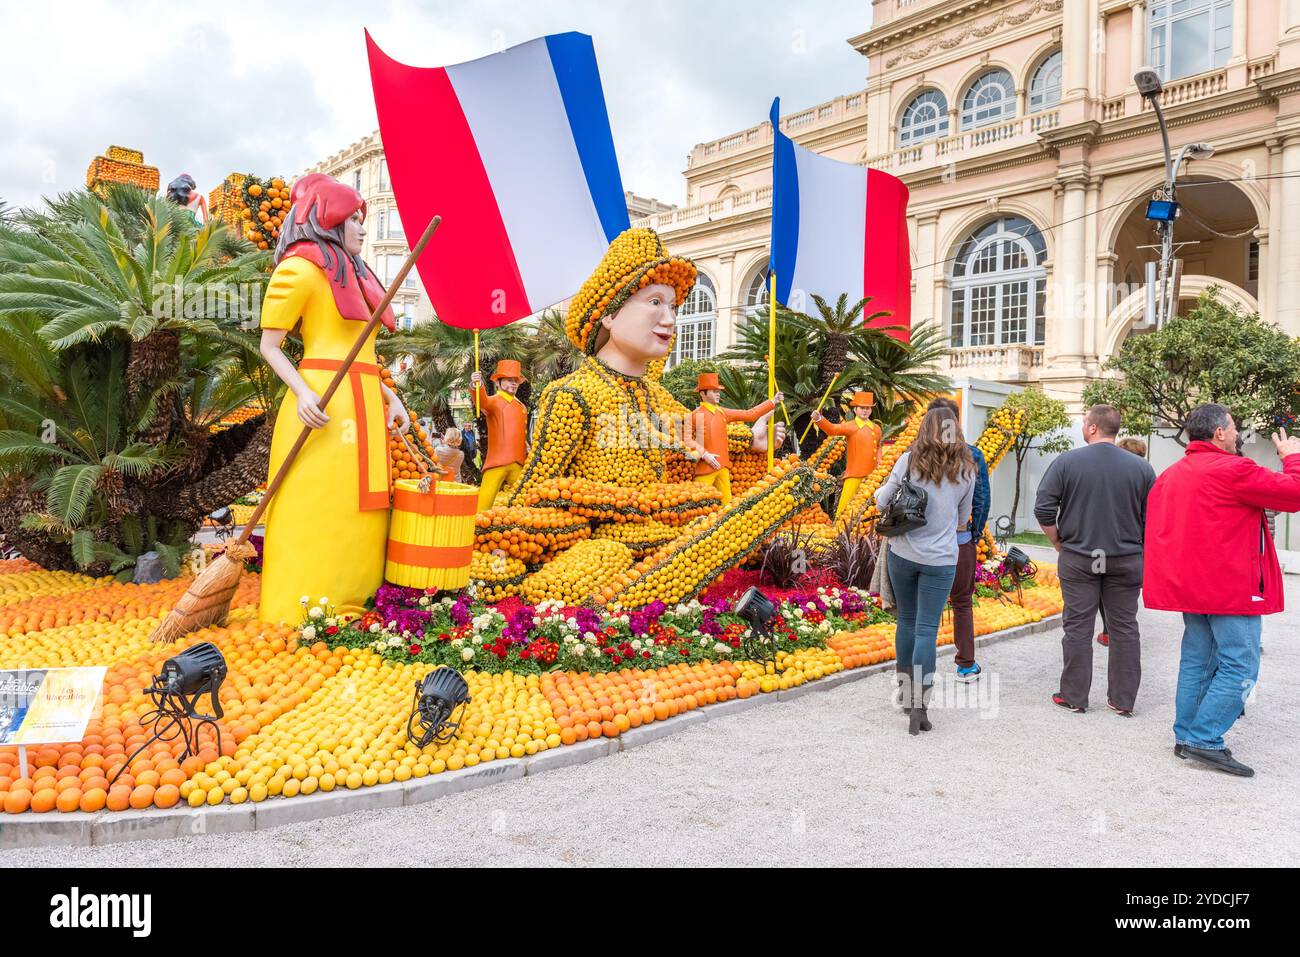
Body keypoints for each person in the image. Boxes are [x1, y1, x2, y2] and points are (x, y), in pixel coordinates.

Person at [257, 173, 410, 623]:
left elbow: (360, 353)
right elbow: (270, 345)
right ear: (328, 220)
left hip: (363, 401)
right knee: (315, 502)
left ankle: (358, 600)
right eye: (354, 220)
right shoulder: (298, 270)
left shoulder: (360, 277)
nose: (363, 229)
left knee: (363, 505)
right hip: (321, 404)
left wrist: (388, 395)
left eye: (364, 220)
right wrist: (303, 391)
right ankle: (299, 610)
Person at [1144, 404, 1300, 777]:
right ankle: (1204, 738)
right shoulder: (1233, 469)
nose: (1236, 434)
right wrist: (1292, 458)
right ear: (1218, 433)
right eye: (1233, 428)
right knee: (1240, 664)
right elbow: (1293, 495)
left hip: (1194, 589)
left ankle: (1187, 736)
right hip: (1230, 589)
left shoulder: (1173, 474)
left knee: (1197, 662)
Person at [1034, 405, 1155, 716]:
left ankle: (1073, 696)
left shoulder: (1066, 462)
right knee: (1125, 627)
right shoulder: (1142, 468)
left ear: (1091, 428)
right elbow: (1153, 517)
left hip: (1079, 556)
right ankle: (1123, 700)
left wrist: (1057, 541)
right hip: (1125, 558)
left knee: (1077, 625)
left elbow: (1044, 509)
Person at [875, 405, 975, 735]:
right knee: (927, 631)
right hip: (942, 560)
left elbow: (882, 501)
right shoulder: (966, 469)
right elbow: (963, 520)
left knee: (905, 619)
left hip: (904, 552)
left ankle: (905, 694)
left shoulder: (908, 460)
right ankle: (920, 707)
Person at [928, 397, 990, 682]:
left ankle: (920, 672)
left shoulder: (915, 455)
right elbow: (981, 501)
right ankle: (966, 665)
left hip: (923, 544)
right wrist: (972, 536)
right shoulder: (972, 455)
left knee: (922, 607)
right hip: (959, 540)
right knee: (962, 603)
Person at [689, 372, 780, 505]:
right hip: (704, 468)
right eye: (714, 391)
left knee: (727, 505)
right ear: (703, 394)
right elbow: (685, 439)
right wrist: (705, 454)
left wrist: (772, 402)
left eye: (718, 391)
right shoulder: (695, 415)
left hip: (723, 467)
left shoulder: (722, 412)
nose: (718, 394)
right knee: (695, 504)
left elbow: (749, 415)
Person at [1095, 436, 1152, 648]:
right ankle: (1121, 632)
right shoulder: (1144, 475)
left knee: (1101, 589)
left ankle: (1108, 631)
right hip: (1129, 550)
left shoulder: (1108, 476)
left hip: (1100, 548)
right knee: (1126, 597)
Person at [812, 392, 883, 520]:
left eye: (867, 408)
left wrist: (880, 461)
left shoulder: (876, 428)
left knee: (871, 508)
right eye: (862, 407)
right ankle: (838, 532)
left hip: (872, 476)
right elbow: (832, 430)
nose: (865, 411)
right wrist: (819, 419)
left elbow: (878, 447)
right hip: (854, 474)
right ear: (855, 409)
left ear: (871, 409)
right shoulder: (851, 426)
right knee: (845, 508)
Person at [470, 360, 529, 511]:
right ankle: (475, 530)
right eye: (510, 380)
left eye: (516, 381)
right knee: (483, 504)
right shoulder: (494, 401)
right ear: (499, 382)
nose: (514, 383)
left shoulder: (521, 407)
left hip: (518, 463)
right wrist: (477, 385)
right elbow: (482, 401)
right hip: (496, 462)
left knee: (525, 503)